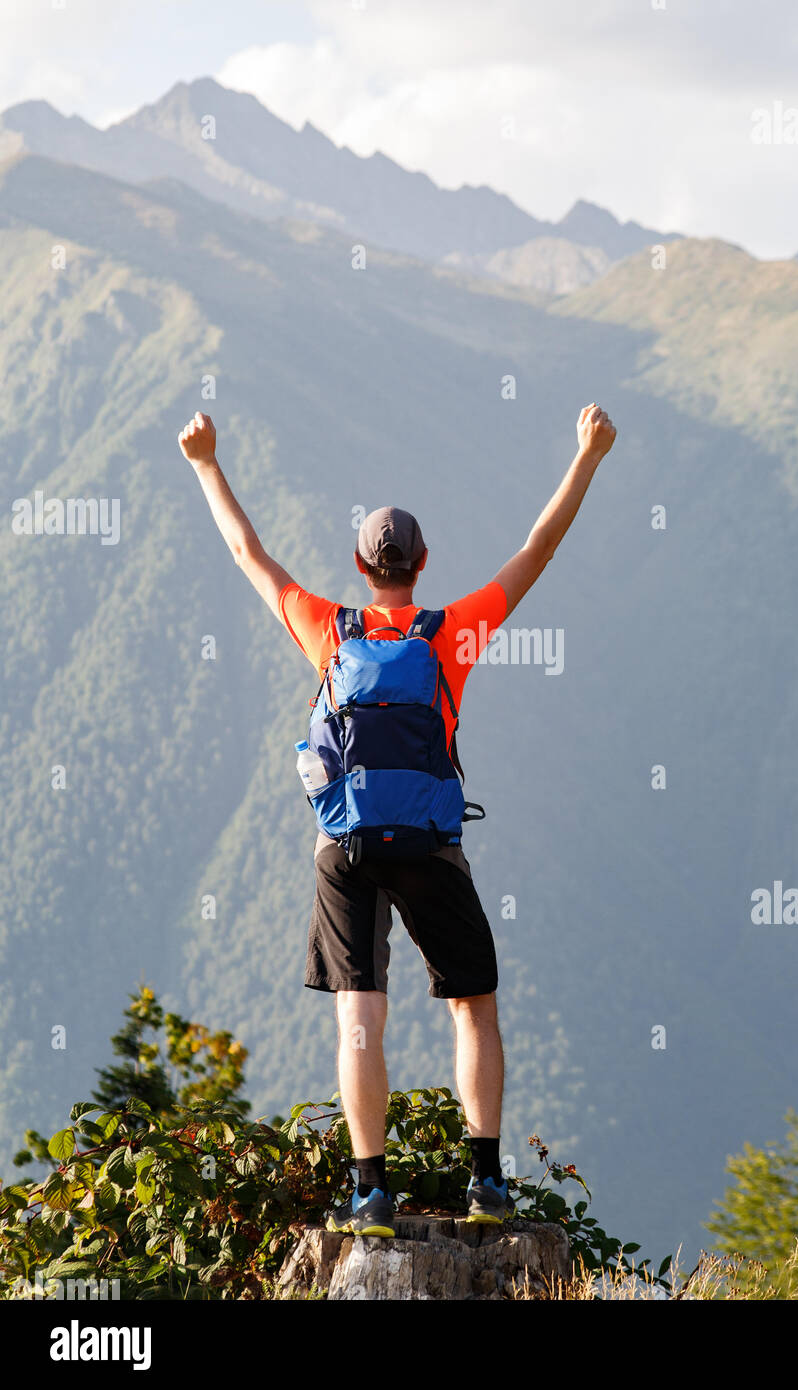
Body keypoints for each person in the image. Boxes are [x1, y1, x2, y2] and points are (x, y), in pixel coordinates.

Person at [178, 403, 617, 1234]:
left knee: (359, 1015)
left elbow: (248, 552)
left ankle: (369, 1191)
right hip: (428, 842)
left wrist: (205, 462)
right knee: (473, 1003)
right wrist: (587, 456)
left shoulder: (327, 632)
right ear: (422, 564)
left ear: (358, 564)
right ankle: (486, 1183)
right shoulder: (450, 634)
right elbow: (539, 550)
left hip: (343, 845)